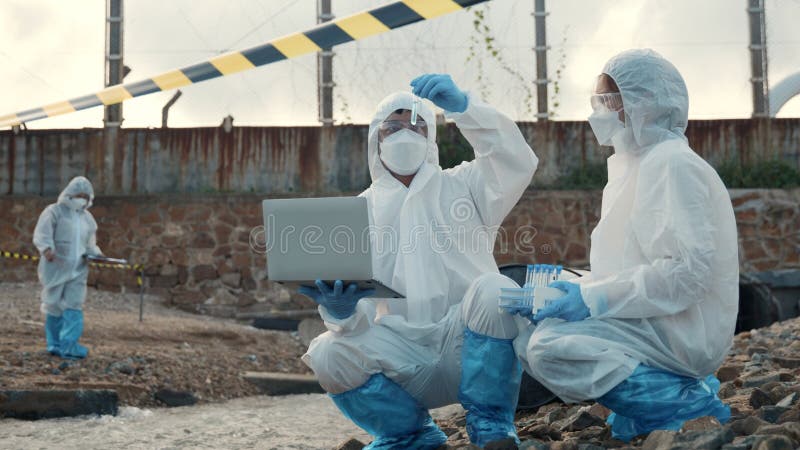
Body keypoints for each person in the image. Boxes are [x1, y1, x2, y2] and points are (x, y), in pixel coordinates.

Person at [300, 74, 538, 449]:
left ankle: (492, 429)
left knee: (498, 291)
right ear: (376, 137)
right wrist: (340, 311)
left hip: (469, 343)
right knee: (329, 353)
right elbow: (355, 323)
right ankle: (411, 436)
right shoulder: (356, 214)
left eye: (416, 125)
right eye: (393, 126)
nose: (404, 134)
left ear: (431, 138)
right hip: (403, 356)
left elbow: (515, 161)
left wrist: (465, 108)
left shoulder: (466, 187)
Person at [515, 49, 738, 441]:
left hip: (682, 327)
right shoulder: (632, 166)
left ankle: (686, 404)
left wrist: (590, 299)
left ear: (643, 105)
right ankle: (654, 398)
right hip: (655, 315)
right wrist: (575, 288)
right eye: (597, 100)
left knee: (548, 348)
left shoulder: (672, 165)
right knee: (525, 324)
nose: (598, 111)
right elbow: (628, 267)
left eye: (608, 100)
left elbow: (686, 276)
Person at [33, 176, 103, 359]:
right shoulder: (54, 211)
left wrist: (96, 254)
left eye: (85, 196)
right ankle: (54, 344)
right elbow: (42, 232)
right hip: (55, 267)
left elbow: (90, 243)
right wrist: (46, 248)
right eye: (78, 194)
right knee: (53, 304)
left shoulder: (88, 219)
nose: (82, 198)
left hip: (78, 268)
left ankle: (69, 345)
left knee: (74, 304)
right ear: (69, 193)